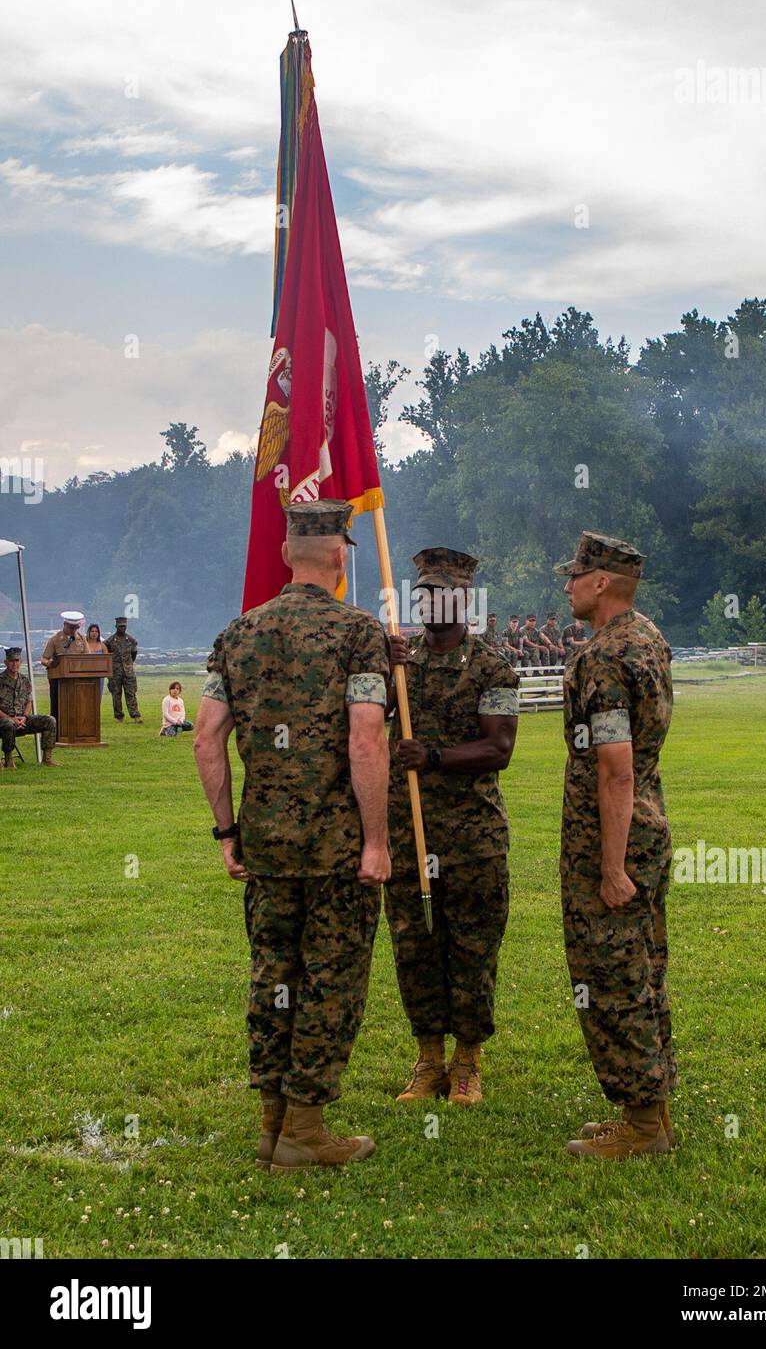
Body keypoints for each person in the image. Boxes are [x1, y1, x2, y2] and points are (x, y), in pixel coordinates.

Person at [194, 500, 391, 1172]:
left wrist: (227, 830)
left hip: (266, 847)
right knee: (330, 980)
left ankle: (272, 1121)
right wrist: (376, 842)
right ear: (340, 556)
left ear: (286, 554)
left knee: (273, 975)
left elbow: (205, 741)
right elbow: (366, 739)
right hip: (336, 848)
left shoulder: (238, 634)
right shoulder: (359, 633)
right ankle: (305, 1130)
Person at [554, 531, 677, 1160]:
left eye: (575, 575)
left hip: (615, 838)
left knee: (612, 975)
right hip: (649, 826)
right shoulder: (648, 638)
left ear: (601, 582)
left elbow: (615, 767)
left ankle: (642, 1126)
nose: (567, 584)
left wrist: (609, 864)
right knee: (645, 967)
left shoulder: (602, 657)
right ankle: (650, 1112)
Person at [384, 548, 519, 1107]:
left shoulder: (493, 664)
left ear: (465, 600)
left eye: (444, 593)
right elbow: (372, 717)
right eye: (425, 593)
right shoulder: (400, 660)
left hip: (472, 836)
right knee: (414, 945)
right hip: (409, 831)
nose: (432, 602)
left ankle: (467, 1062)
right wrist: (382, 666)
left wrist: (433, 756)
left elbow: (499, 747)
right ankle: (427, 1060)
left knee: (472, 947)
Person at [0, 647, 58, 768]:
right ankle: (9, 760)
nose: (14, 664)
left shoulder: (25, 681)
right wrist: (10, 718)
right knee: (8, 724)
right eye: (11, 661)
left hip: (22, 720)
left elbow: (29, 701)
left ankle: (47, 758)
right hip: (4, 721)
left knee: (49, 720)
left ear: (21, 662)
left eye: (17, 661)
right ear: (6, 662)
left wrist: (25, 717)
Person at [41, 611, 87, 722]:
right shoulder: (55, 639)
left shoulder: (81, 639)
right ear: (65, 625)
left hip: (78, 680)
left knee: (78, 709)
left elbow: (88, 658)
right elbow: (44, 659)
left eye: (75, 628)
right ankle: (56, 734)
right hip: (59, 681)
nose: (73, 630)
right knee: (57, 710)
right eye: (71, 628)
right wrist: (51, 663)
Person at [105, 617, 142, 723]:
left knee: (131, 693)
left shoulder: (131, 640)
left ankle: (135, 715)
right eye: (120, 626)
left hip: (128, 672)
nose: (122, 628)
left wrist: (129, 664)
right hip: (115, 672)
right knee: (116, 694)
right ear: (116, 626)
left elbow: (134, 654)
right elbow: (106, 654)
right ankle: (119, 716)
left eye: (124, 626)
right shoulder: (109, 641)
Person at [86, 622, 108, 698]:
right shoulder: (84, 645)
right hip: (86, 674)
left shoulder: (102, 645)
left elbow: (107, 660)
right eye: (92, 631)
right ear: (88, 632)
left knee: (98, 696)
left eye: (96, 631)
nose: (94, 633)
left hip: (99, 675)